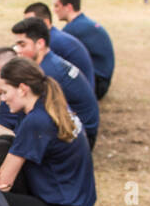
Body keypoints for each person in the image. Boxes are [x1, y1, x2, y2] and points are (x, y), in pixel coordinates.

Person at [0, 57, 96, 206]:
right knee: (3, 144)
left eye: (5, 92)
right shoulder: (50, 104)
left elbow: (3, 182)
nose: (3, 99)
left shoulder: (37, 121)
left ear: (22, 89)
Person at [11, 16, 98, 148]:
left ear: (40, 44)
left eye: (22, 44)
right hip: (79, 127)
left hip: (79, 136)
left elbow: (34, 112)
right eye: (16, 44)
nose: (17, 50)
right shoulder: (50, 61)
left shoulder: (47, 73)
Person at [52, 0, 115, 99]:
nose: (54, 10)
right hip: (103, 80)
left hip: (97, 85)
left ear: (69, 7)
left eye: (57, 6)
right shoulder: (85, 23)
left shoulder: (73, 30)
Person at [23, 1, 95, 86]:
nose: (26, 27)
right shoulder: (55, 35)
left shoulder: (52, 41)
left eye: (30, 23)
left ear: (46, 22)